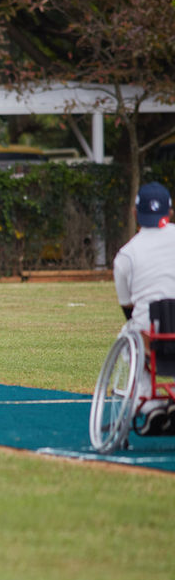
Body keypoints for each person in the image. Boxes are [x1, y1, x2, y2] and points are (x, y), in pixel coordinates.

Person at [113, 182, 175, 433]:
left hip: (152, 333)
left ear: (135, 213)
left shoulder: (126, 255)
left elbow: (126, 304)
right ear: (169, 212)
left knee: (128, 337)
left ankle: (148, 403)